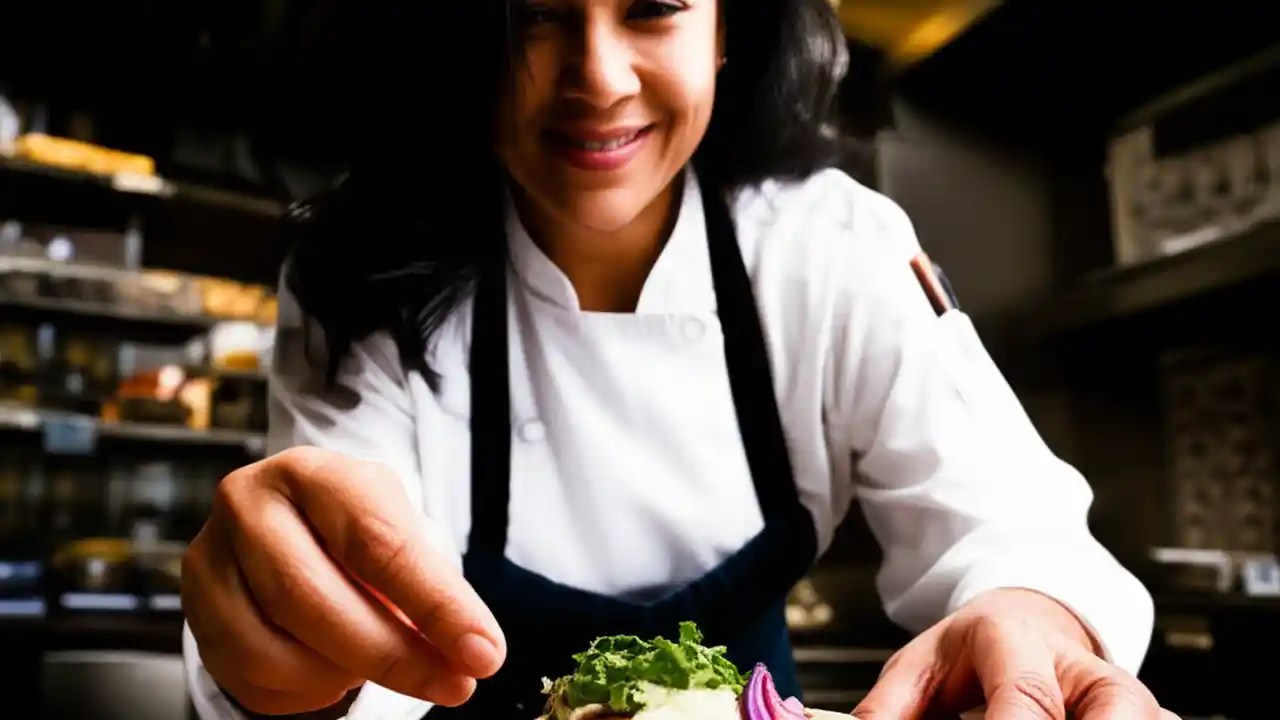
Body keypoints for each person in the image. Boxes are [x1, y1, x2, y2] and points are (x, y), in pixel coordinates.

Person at [180, 0, 1176, 718]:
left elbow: (1010, 526)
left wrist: (1029, 617)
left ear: (727, 28)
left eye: (652, 8)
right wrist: (293, 664)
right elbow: (343, 628)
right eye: (535, 15)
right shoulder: (364, 272)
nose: (597, 76)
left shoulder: (831, 246)